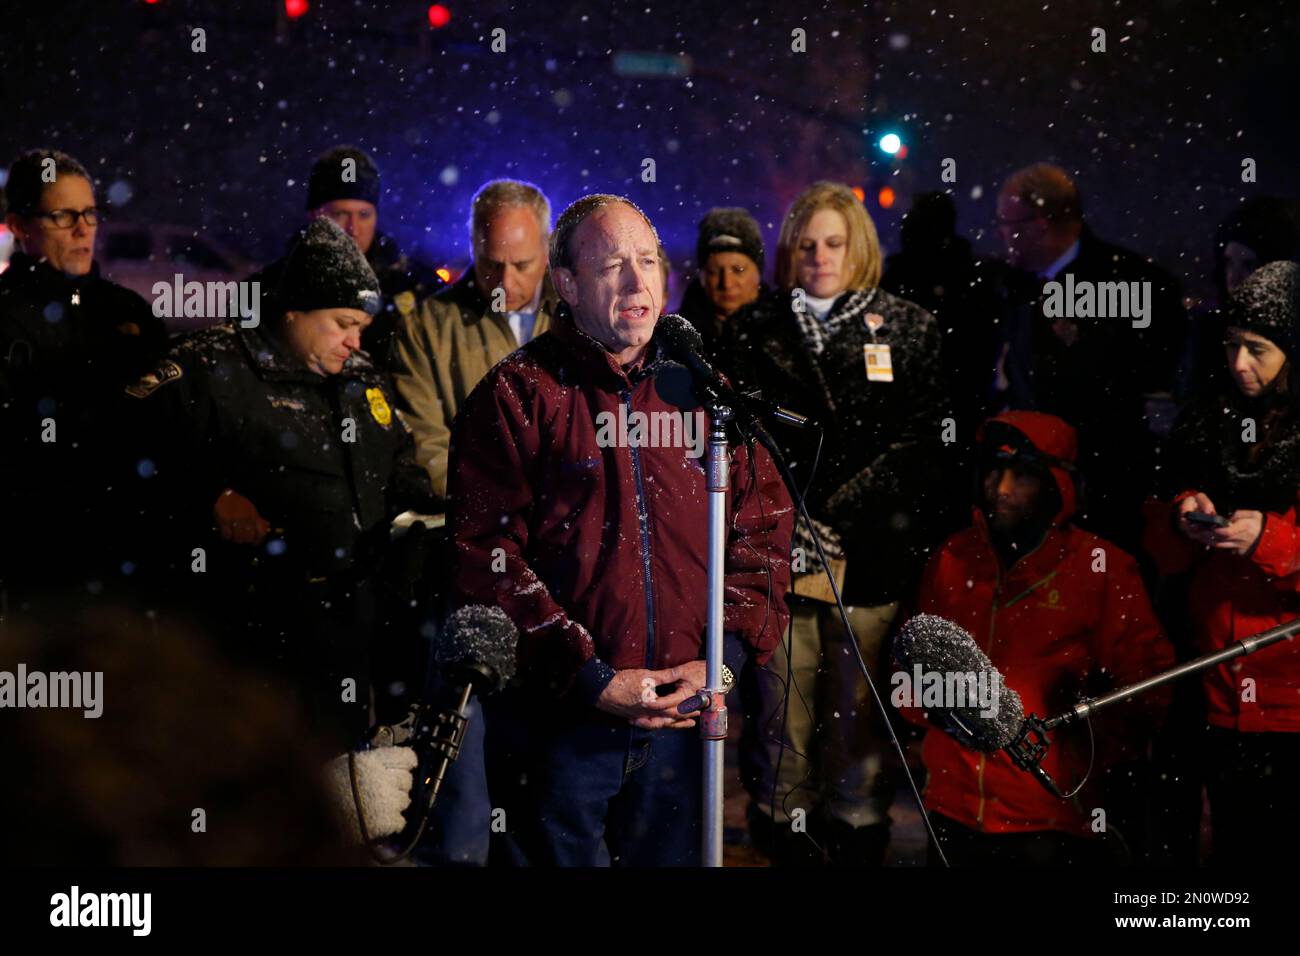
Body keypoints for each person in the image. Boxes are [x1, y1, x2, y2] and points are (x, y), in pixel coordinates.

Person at [447, 193, 794, 867]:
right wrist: (590, 677)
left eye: (647, 261)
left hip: (682, 722)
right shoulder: (519, 394)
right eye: (612, 265)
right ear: (569, 284)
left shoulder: (704, 393)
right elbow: (484, 556)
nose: (637, 283)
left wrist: (721, 663)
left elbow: (763, 537)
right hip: (560, 727)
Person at [123, 216, 436, 750]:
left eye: (360, 324)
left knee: (334, 788)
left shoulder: (362, 379)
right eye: (341, 322)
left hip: (344, 632)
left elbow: (400, 470)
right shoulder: (211, 368)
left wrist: (424, 523)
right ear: (294, 310)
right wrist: (210, 498)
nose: (354, 339)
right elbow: (125, 459)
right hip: (244, 631)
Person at [728, 181, 955, 866]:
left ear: (859, 247)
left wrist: (839, 508)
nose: (821, 256)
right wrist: (786, 515)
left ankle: (856, 824)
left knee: (857, 711)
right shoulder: (753, 328)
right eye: (807, 244)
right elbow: (739, 436)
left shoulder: (910, 327)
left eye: (834, 242)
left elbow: (925, 439)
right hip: (780, 551)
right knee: (780, 708)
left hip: (872, 550)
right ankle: (781, 823)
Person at [907, 411, 1174, 865]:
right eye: (994, 470)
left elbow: (1146, 685)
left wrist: (1088, 758)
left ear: (1057, 485)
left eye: (1023, 475)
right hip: (952, 804)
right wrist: (928, 718)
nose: (1002, 489)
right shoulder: (952, 556)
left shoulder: (1101, 567)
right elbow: (913, 663)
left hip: (1049, 815)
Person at [1143, 260, 1300, 866]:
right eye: (1233, 346)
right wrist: (1187, 511)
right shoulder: (1212, 417)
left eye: (1258, 349)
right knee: (1232, 843)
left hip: (1287, 688)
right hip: (1217, 677)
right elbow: (1159, 517)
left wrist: (1273, 539)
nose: (1240, 364)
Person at [992, 163, 1187, 554]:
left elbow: (1146, 381)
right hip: (1033, 488)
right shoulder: (1016, 284)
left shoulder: (1133, 284)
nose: (1002, 234)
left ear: (1041, 223)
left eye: (1007, 222)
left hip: (1103, 493)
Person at [0, 148, 167, 605]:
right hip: (38, 557)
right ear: (19, 225)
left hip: (129, 549)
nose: (83, 229)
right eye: (62, 216)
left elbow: (174, 418)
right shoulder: (6, 316)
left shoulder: (127, 310)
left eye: (91, 214)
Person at [392, 179, 559, 503]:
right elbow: (423, 442)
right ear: (472, 246)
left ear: (547, 246)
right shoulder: (426, 328)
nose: (505, 282)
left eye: (521, 265)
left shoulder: (581, 317)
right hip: (477, 524)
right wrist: (489, 504)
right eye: (491, 265)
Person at [254, 145, 443, 369]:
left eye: (364, 214)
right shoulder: (264, 289)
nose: (353, 228)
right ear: (315, 215)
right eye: (340, 214)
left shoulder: (416, 285)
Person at [676, 207, 769, 377]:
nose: (726, 283)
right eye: (714, 271)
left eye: (738, 270)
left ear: (758, 273)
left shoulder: (788, 332)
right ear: (702, 276)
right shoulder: (676, 339)